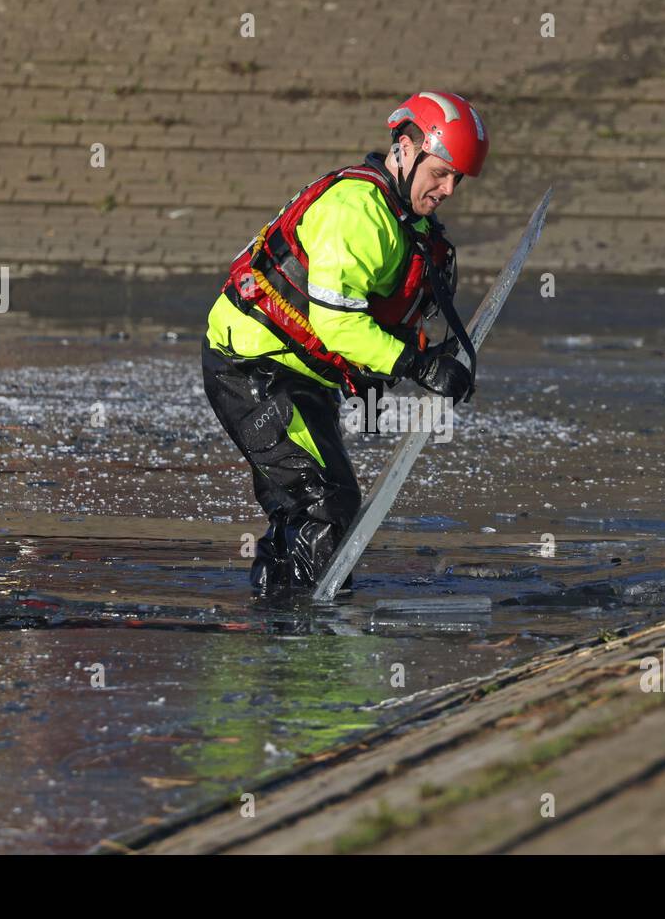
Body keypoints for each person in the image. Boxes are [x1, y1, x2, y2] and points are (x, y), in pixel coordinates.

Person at [200, 90, 490, 594]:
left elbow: (383, 316)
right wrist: (417, 366)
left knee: (305, 504)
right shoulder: (357, 213)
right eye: (439, 172)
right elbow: (338, 325)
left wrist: (432, 355)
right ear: (405, 147)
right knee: (325, 503)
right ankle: (315, 636)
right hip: (253, 365)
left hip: (298, 374)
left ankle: (279, 625)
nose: (447, 189)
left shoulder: (406, 222)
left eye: (455, 179)